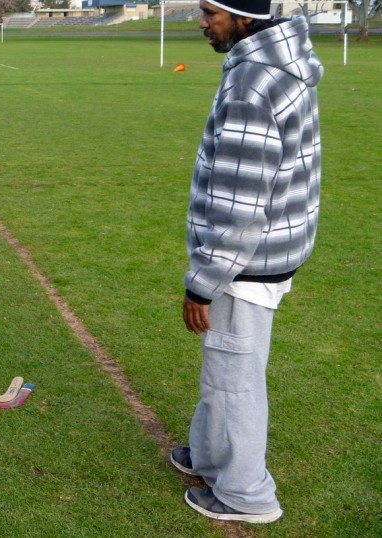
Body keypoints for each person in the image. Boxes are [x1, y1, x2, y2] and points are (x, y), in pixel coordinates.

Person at [174, 0, 322, 524]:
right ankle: (211, 457)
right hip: (271, 252)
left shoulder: (252, 83)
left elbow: (241, 207)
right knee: (227, 368)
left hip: (246, 265)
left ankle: (245, 494)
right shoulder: (275, 64)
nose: (202, 22)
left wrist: (203, 283)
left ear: (245, 17)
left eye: (211, 12)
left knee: (233, 378)